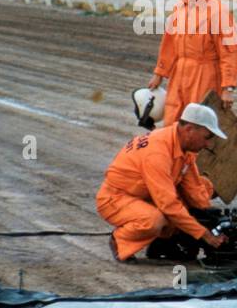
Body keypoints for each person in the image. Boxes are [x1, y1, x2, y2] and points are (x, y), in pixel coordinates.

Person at [97, 103, 229, 262]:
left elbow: (194, 188)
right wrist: (205, 234)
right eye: (207, 137)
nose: (208, 144)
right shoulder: (157, 153)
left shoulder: (184, 147)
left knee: (204, 186)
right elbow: (168, 204)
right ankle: (120, 241)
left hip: (146, 194)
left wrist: (210, 217)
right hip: (116, 199)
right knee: (154, 220)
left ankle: (162, 243)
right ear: (189, 130)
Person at [147, 0, 237, 128]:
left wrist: (228, 88)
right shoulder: (179, 8)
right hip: (179, 75)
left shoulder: (218, 11)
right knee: (172, 122)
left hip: (205, 76)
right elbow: (169, 45)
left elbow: (230, 52)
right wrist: (159, 73)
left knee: (197, 126)